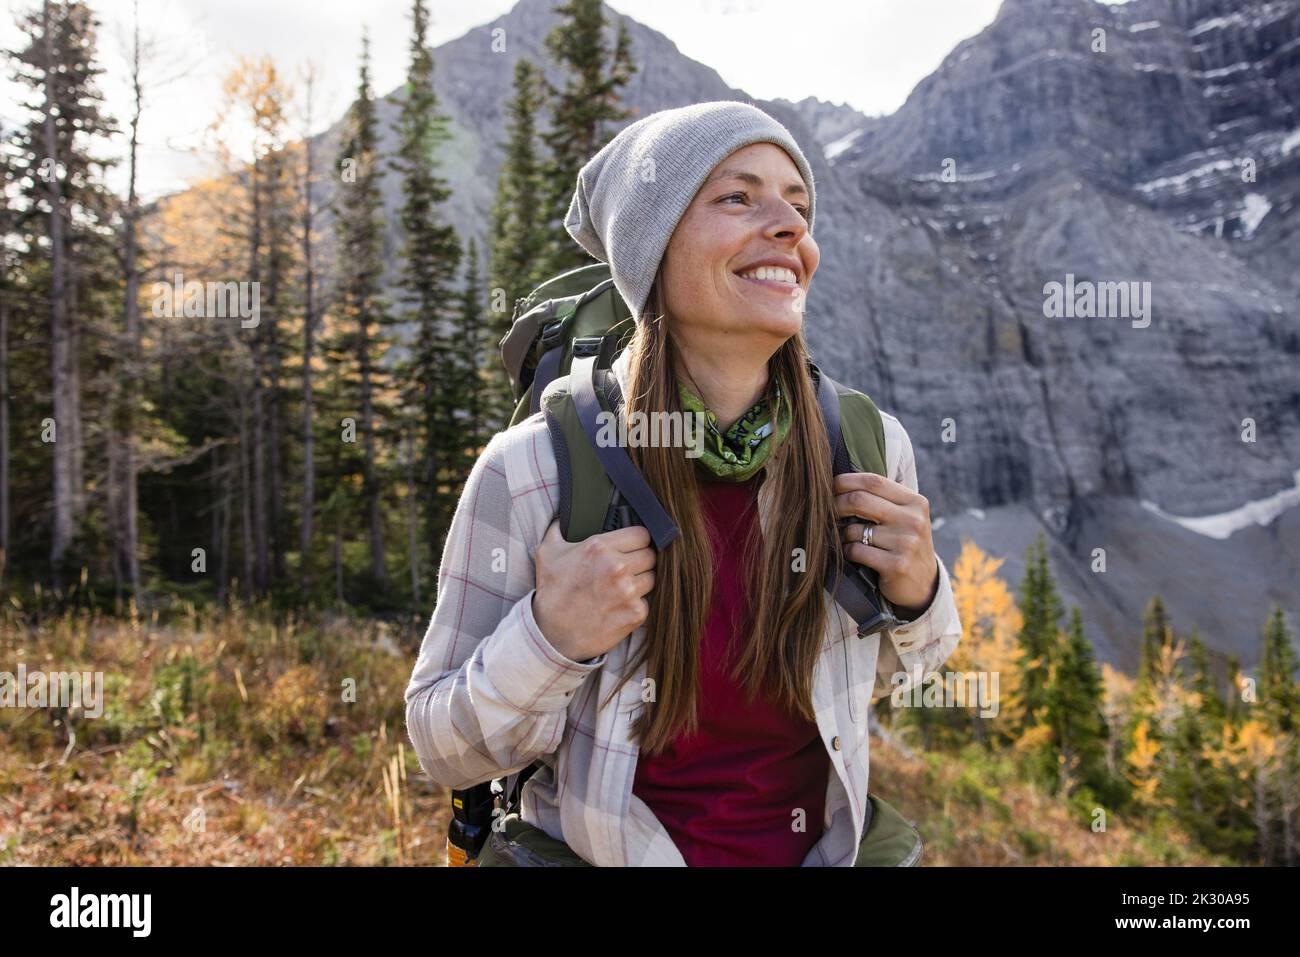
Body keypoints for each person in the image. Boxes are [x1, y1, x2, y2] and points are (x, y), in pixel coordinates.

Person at [404, 100, 963, 866]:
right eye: (738, 196)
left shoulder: (866, 448)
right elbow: (444, 748)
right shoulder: (532, 469)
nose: (790, 226)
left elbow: (899, 673)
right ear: (651, 245)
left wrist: (920, 595)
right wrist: (552, 636)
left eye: (799, 205)